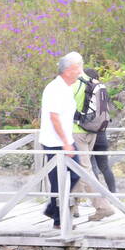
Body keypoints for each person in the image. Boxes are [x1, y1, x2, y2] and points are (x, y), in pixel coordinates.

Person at [40, 52, 84, 227]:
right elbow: (54, 117)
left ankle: (53, 209)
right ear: (67, 70)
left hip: (65, 140)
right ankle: (59, 219)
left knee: (74, 174)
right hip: (55, 142)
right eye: (77, 68)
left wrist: (68, 140)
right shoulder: (55, 88)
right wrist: (66, 141)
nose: (80, 72)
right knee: (59, 180)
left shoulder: (66, 88)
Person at [76, 66, 117, 219]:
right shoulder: (101, 91)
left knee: (90, 170)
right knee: (105, 167)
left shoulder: (85, 91)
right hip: (102, 135)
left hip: (89, 135)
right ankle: (113, 194)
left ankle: (99, 199)